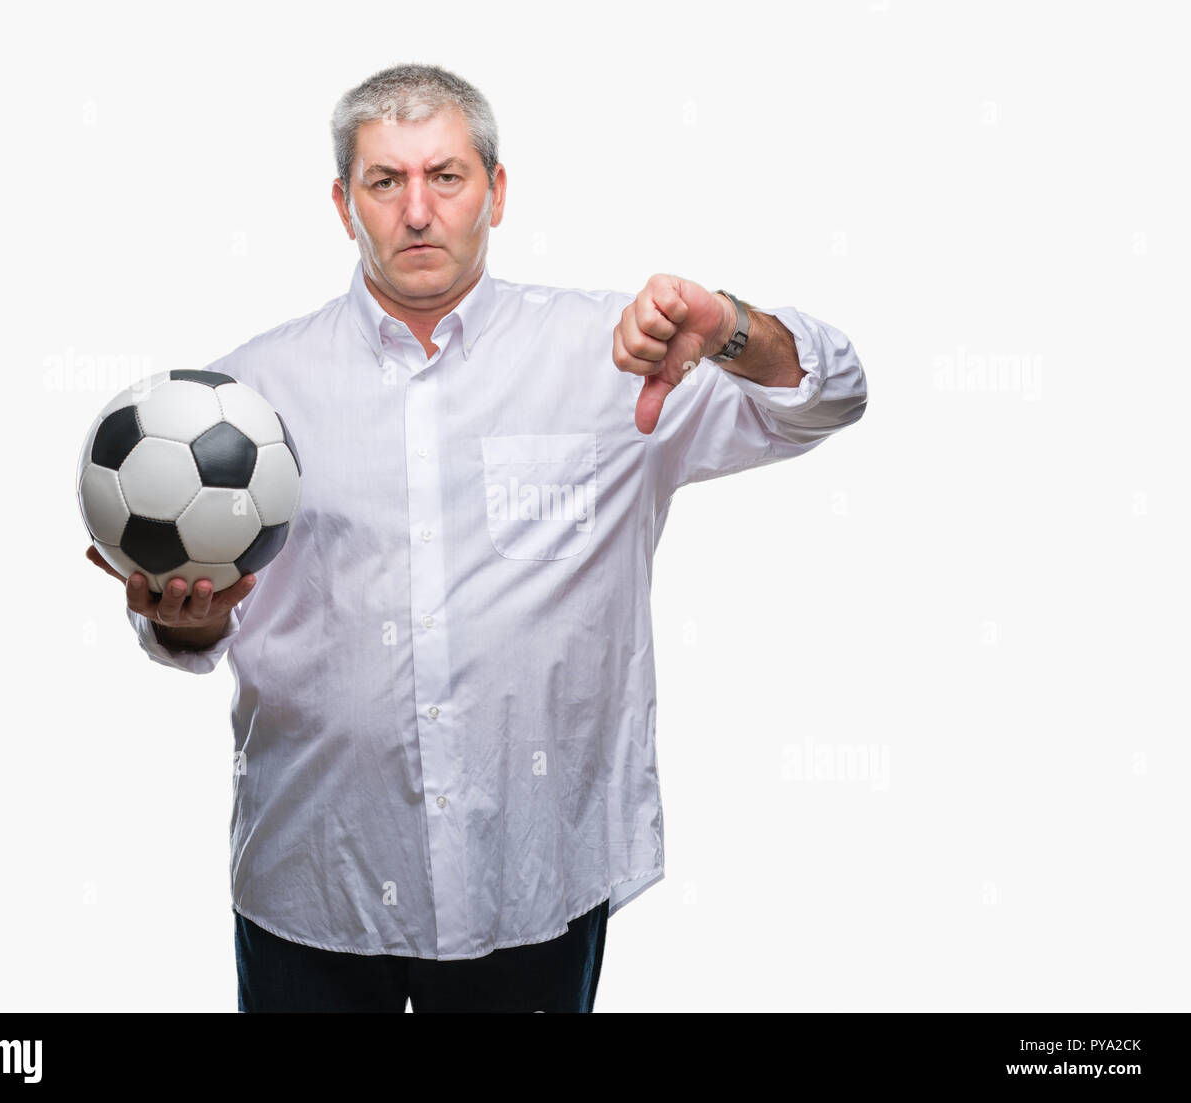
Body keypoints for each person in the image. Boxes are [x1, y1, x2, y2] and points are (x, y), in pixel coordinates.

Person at [85, 63, 869, 1012]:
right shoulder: (244, 398)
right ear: (344, 204)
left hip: (532, 883)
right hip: (314, 881)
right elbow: (195, 638)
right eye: (386, 182)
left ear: (496, 191)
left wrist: (733, 327)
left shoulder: (617, 358)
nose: (418, 211)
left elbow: (827, 401)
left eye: (446, 177)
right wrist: (185, 624)